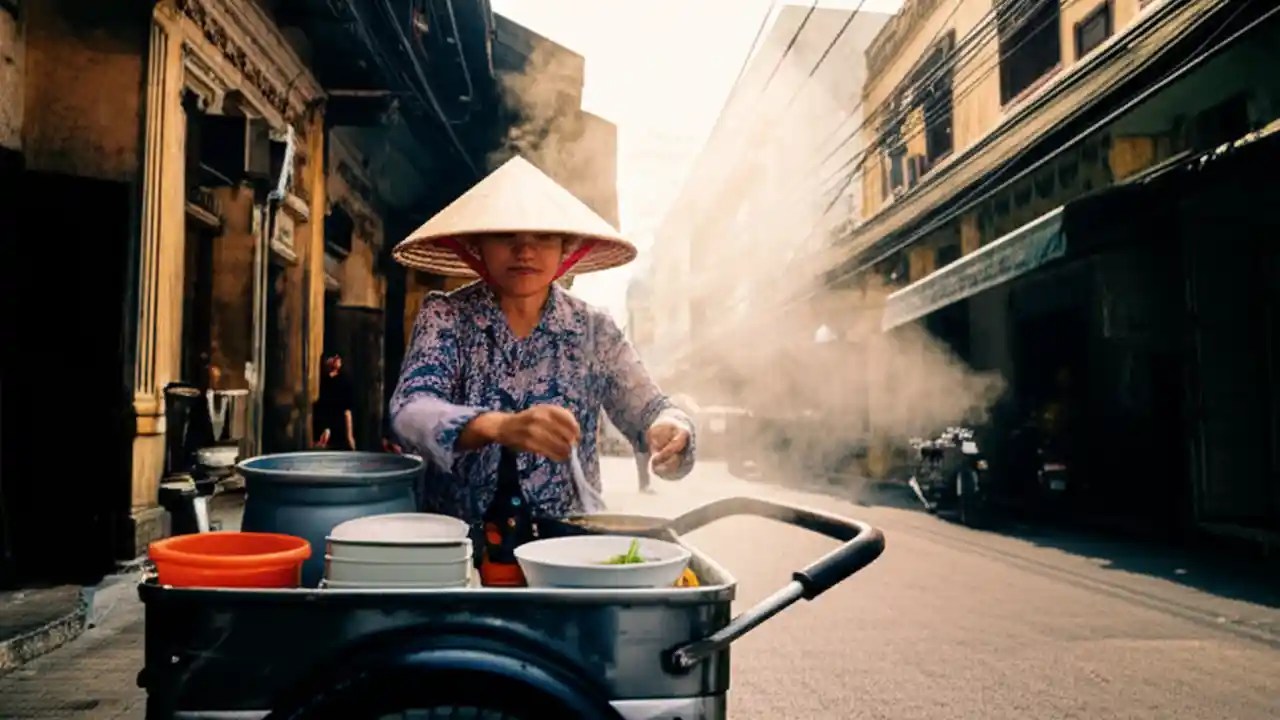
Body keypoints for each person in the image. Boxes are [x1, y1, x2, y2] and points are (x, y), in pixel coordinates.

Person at [388, 156, 695, 524]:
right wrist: (499, 426)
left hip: (569, 546)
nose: (525, 251)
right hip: (459, 545)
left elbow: (650, 410)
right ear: (478, 244)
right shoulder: (447, 317)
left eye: (544, 237)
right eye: (505, 235)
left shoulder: (594, 329)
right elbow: (410, 411)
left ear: (565, 248)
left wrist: (673, 430)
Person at [314, 350, 356, 451]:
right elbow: (323, 406)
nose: (337, 359)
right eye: (333, 357)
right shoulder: (324, 382)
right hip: (330, 425)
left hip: (341, 424)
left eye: (338, 357)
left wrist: (349, 436)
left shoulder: (344, 380)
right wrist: (326, 429)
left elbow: (347, 410)